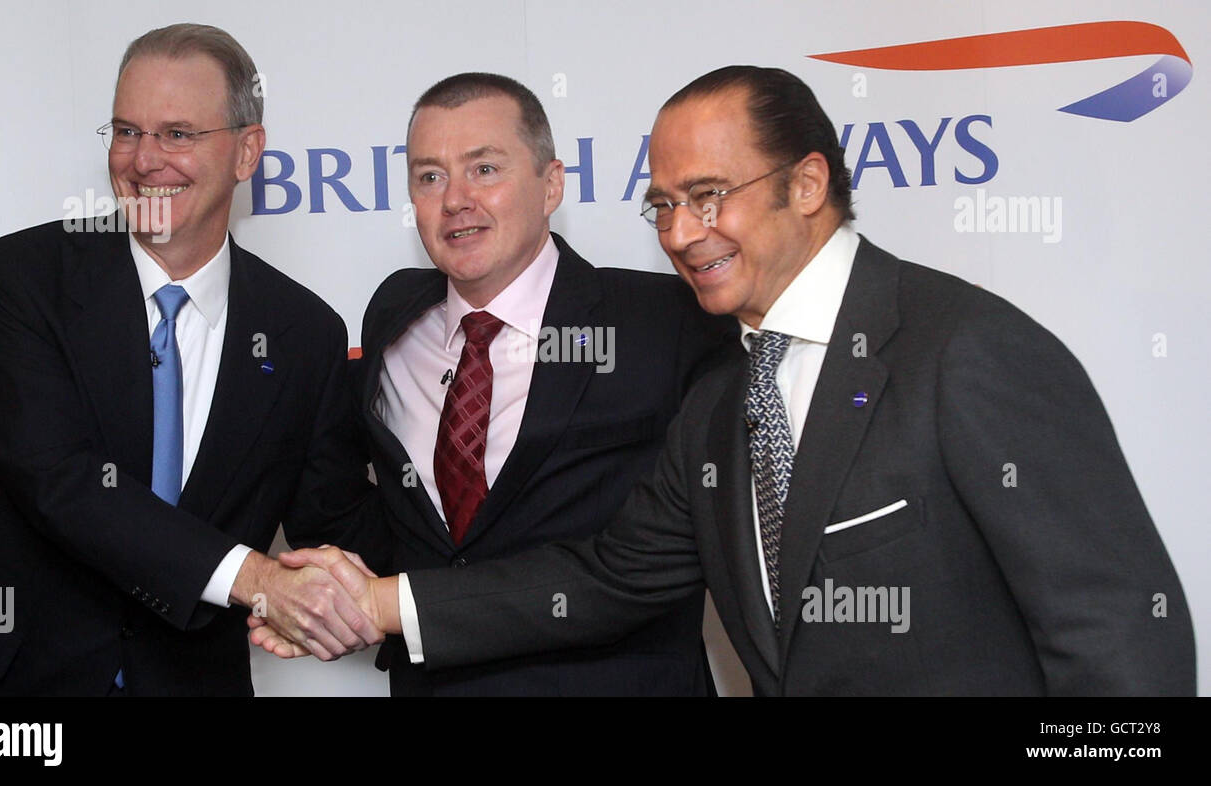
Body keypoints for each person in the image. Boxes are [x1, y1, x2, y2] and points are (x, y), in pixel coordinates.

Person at [264, 66, 1196, 696]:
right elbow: (610, 577)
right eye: (663, 204)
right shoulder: (722, 399)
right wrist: (380, 603)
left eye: (709, 196)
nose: (679, 233)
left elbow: (1123, 637)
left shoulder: (965, 350)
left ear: (806, 184)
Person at [0, 23, 380, 697]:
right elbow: (60, 482)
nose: (144, 159)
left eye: (177, 134)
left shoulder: (304, 332)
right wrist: (257, 579)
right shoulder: (18, 278)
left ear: (248, 152)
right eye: (127, 131)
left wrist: (466, 586)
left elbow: (332, 522)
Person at [310, 73, 738, 696]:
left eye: (484, 169)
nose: (456, 198)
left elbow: (681, 547)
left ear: (552, 184)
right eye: (430, 177)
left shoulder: (668, 321)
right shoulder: (393, 312)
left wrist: (390, 603)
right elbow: (344, 485)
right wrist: (360, 589)